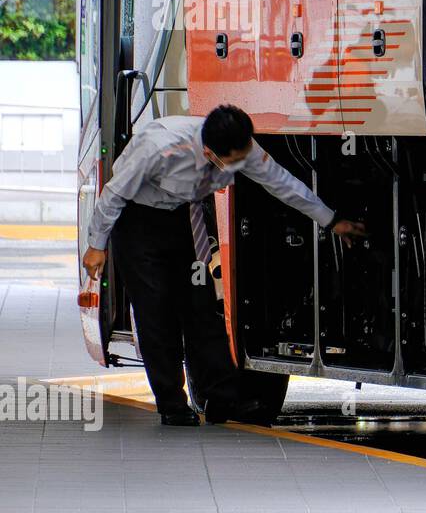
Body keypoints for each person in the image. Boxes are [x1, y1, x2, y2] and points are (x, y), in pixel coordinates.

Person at [81, 105, 365, 425]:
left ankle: (223, 399)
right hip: (136, 223)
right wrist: (96, 246)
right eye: (233, 162)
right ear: (209, 153)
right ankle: (172, 403)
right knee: (155, 312)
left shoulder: (241, 145)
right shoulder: (159, 148)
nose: (241, 165)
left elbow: (283, 184)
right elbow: (113, 194)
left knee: (199, 307)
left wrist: (332, 220)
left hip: (177, 218)